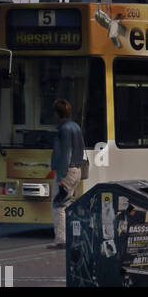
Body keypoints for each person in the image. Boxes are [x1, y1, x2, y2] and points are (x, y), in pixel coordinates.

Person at [48, 98, 84, 249]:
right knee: (67, 203)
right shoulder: (75, 126)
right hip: (77, 169)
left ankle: (62, 240)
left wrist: (61, 177)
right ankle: (72, 237)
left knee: (58, 205)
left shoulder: (63, 129)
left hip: (67, 171)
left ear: (57, 114)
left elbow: (65, 154)